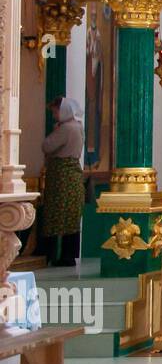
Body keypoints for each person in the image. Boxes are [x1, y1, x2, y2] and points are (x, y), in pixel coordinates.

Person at [40, 98, 85, 266]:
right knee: (71, 215)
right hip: (73, 173)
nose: (54, 115)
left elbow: (47, 146)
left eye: (55, 111)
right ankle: (69, 254)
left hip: (61, 175)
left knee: (55, 213)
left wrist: (53, 132)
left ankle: (52, 253)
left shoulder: (65, 128)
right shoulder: (79, 126)